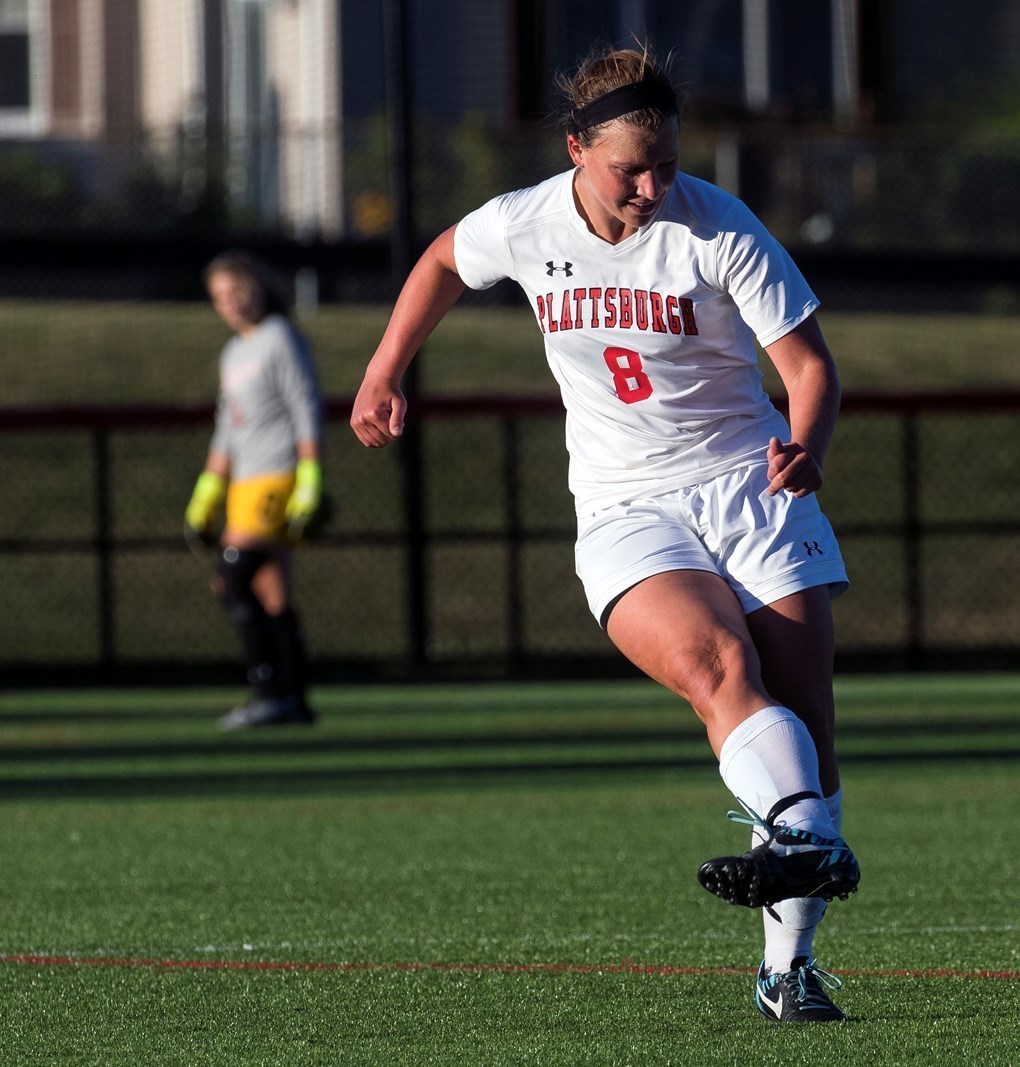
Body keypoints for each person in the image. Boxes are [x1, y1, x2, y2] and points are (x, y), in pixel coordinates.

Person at [349, 46, 859, 1022]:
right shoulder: (527, 221)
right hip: (627, 504)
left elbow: (808, 369)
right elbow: (442, 259)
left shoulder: (719, 228)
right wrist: (385, 368)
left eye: (666, 161)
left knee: (807, 727)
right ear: (577, 147)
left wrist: (809, 444)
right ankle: (799, 840)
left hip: (752, 491)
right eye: (631, 166)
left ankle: (785, 966)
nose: (653, 182)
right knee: (718, 667)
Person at [184, 251, 325, 731]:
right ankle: (294, 699)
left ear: (257, 288)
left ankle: (268, 693)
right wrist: (208, 489)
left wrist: (310, 475)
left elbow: (305, 406)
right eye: (219, 297)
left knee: (232, 576)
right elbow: (227, 427)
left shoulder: (279, 339)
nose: (229, 303)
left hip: (277, 473)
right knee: (271, 597)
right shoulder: (234, 352)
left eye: (236, 291)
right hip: (243, 480)